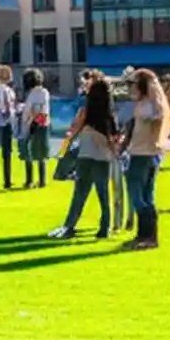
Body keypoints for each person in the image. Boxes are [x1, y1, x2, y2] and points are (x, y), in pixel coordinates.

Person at [49, 77, 119, 240]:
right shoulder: (109, 118)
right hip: (103, 158)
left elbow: (72, 132)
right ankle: (104, 227)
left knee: (80, 194)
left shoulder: (85, 113)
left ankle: (69, 225)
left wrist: (63, 151)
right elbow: (113, 141)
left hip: (85, 156)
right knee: (103, 195)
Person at [124, 68, 170, 250]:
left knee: (138, 196)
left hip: (142, 154)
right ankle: (146, 236)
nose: (130, 89)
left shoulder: (147, 105)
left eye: (133, 85)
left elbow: (158, 117)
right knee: (147, 196)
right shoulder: (150, 103)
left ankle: (147, 236)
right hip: (150, 154)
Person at [21, 68, 51, 189]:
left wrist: (33, 122)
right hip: (36, 123)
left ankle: (36, 180)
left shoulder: (41, 93)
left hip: (38, 124)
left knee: (36, 153)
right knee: (35, 153)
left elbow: (39, 110)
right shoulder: (37, 92)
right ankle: (33, 180)